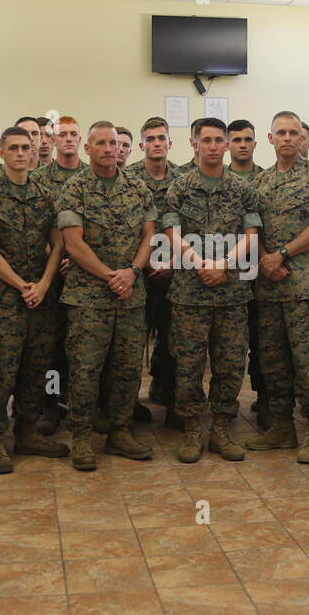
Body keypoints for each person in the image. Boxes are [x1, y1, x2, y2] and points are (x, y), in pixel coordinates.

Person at [56, 121, 157, 471]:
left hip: (130, 295)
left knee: (128, 369)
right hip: (88, 298)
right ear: (87, 148)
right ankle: (82, 436)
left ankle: (120, 431)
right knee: (85, 369)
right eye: (100, 143)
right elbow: (73, 243)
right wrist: (110, 276)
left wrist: (133, 272)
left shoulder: (138, 187)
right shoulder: (75, 189)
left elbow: (149, 236)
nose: (108, 149)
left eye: (113, 143)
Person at [162, 117, 262, 463]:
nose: (214, 146)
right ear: (194, 144)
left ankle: (221, 429)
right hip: (190, 293)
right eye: (207, 140)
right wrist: (200, 263)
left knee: (231, 363)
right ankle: (192, 429)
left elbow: (251, 234)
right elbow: (171, 233)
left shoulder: (242, 188)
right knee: (188, 364)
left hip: (232, 293)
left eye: (220, 140)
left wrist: (223, 264)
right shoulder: (179, 187)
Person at [0, 126, 69, 473]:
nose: (20, 153)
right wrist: (21, 285)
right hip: (4, 299)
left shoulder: (46, 194)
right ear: (1, 153)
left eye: (25, 147)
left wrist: (43, 283)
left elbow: (58, 244)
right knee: (0, 370)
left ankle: (28, 431)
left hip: (42, 297)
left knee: (36, 368)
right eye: (12, 148)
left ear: (34, 151)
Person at [246, 111, 309, 463]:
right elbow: (252, 231)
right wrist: (266, 260)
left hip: (307, 287)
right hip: (269, 288)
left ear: (303, 139)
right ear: (270, 139)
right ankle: (282, 427)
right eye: (280, 133)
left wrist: (280, 255)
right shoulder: (260, 183)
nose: (287, 138)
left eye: (293, 133)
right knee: (273, 363)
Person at [125, 116, 184, 427]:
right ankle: (128, 404)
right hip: (140, 277)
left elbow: (192, 228)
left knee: (177, 344)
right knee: (132, 344)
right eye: (150, 139)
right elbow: (125, 229)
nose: (156, 143)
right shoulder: (129, 179)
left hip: (178, 275)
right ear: (142, 145)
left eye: (161, 138)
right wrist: (146, 264)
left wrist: (174, 264)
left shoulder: (183, 179)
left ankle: (176, 402)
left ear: (169, 143)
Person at [32, 115, 85, 432]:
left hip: (85, 281)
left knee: (84, 351)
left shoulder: (92, 177)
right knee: (50, 350)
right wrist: (55, 257)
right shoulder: (38, 181)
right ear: (51, 141)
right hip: (50, 278)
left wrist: (76, 259)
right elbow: (34, 229)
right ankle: (50, 406)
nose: (67, 139)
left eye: (73, 134)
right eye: (61, 134)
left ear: (81, 141)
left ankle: (82, 405)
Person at [227, 118, 268, 428]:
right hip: (227, 279)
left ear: (256, 143)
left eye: (247, 139)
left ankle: (265, 399)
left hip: (265, 276)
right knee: (229, 346)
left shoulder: (267, 181)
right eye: (237, 139)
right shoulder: (217, 179)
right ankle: (223, 403)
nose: (242, 144)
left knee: (263, 341)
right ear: (229, 144)